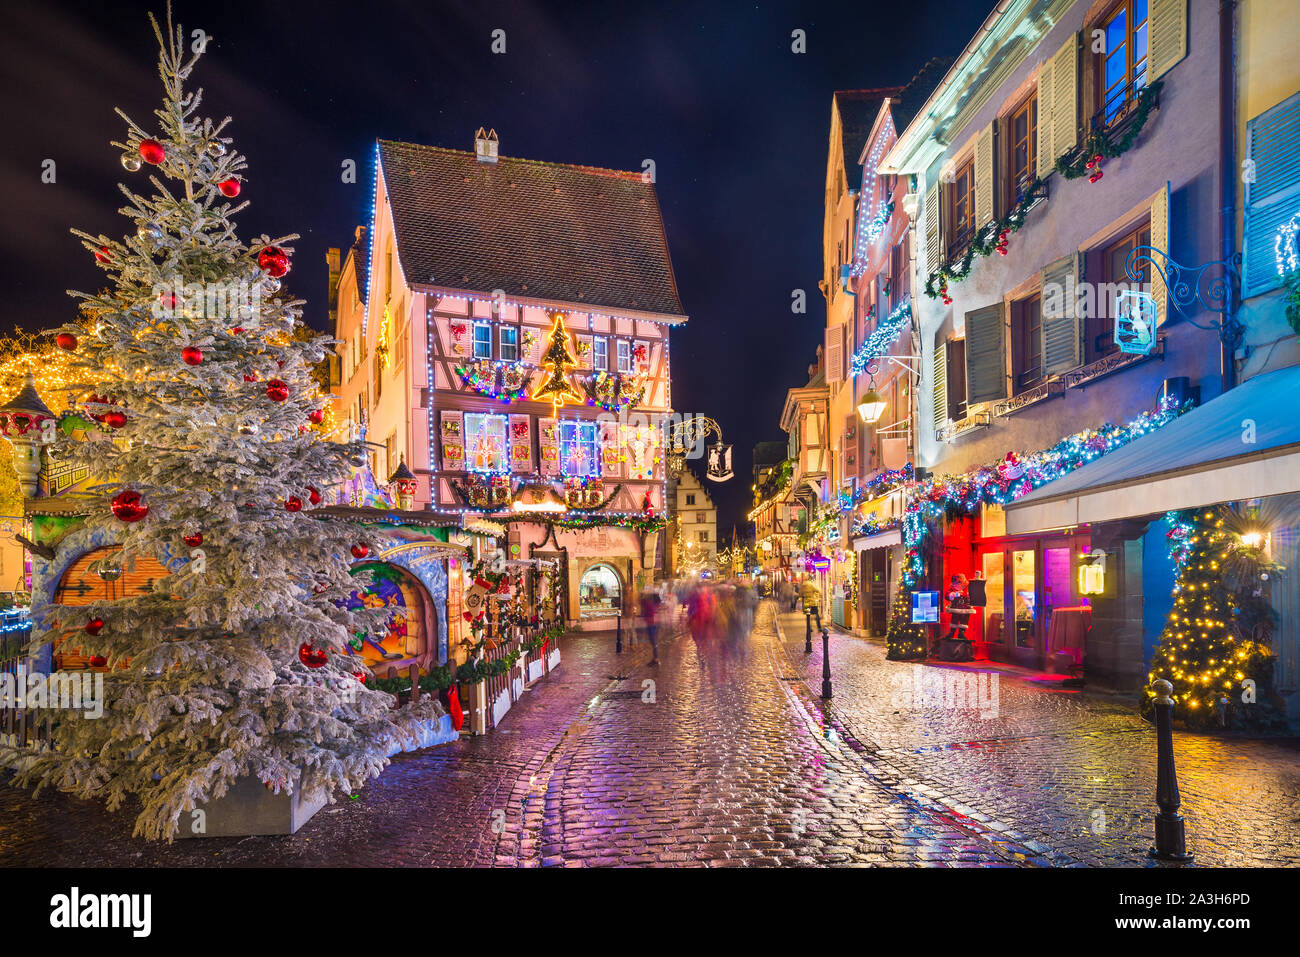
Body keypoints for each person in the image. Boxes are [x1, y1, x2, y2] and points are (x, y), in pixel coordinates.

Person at [934, 573, 973, 659]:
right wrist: (953, 595)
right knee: (954, 620)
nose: (958, 584)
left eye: (959, 582)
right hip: (955, 608)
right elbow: (947, 596)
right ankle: (952, 632)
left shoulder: (967, 589)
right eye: (956, 582)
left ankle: (961, 633)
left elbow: (971, 596)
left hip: (965, 608)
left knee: (964, 621)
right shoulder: (952, 589)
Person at [639, 586, 663, 666]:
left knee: (653, 641)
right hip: (655, 622)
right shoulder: (654, 601)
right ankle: (655, 658)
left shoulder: (647, 601)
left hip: (651, 623)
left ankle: (656, 658)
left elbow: (643, 604)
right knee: (653, 641)